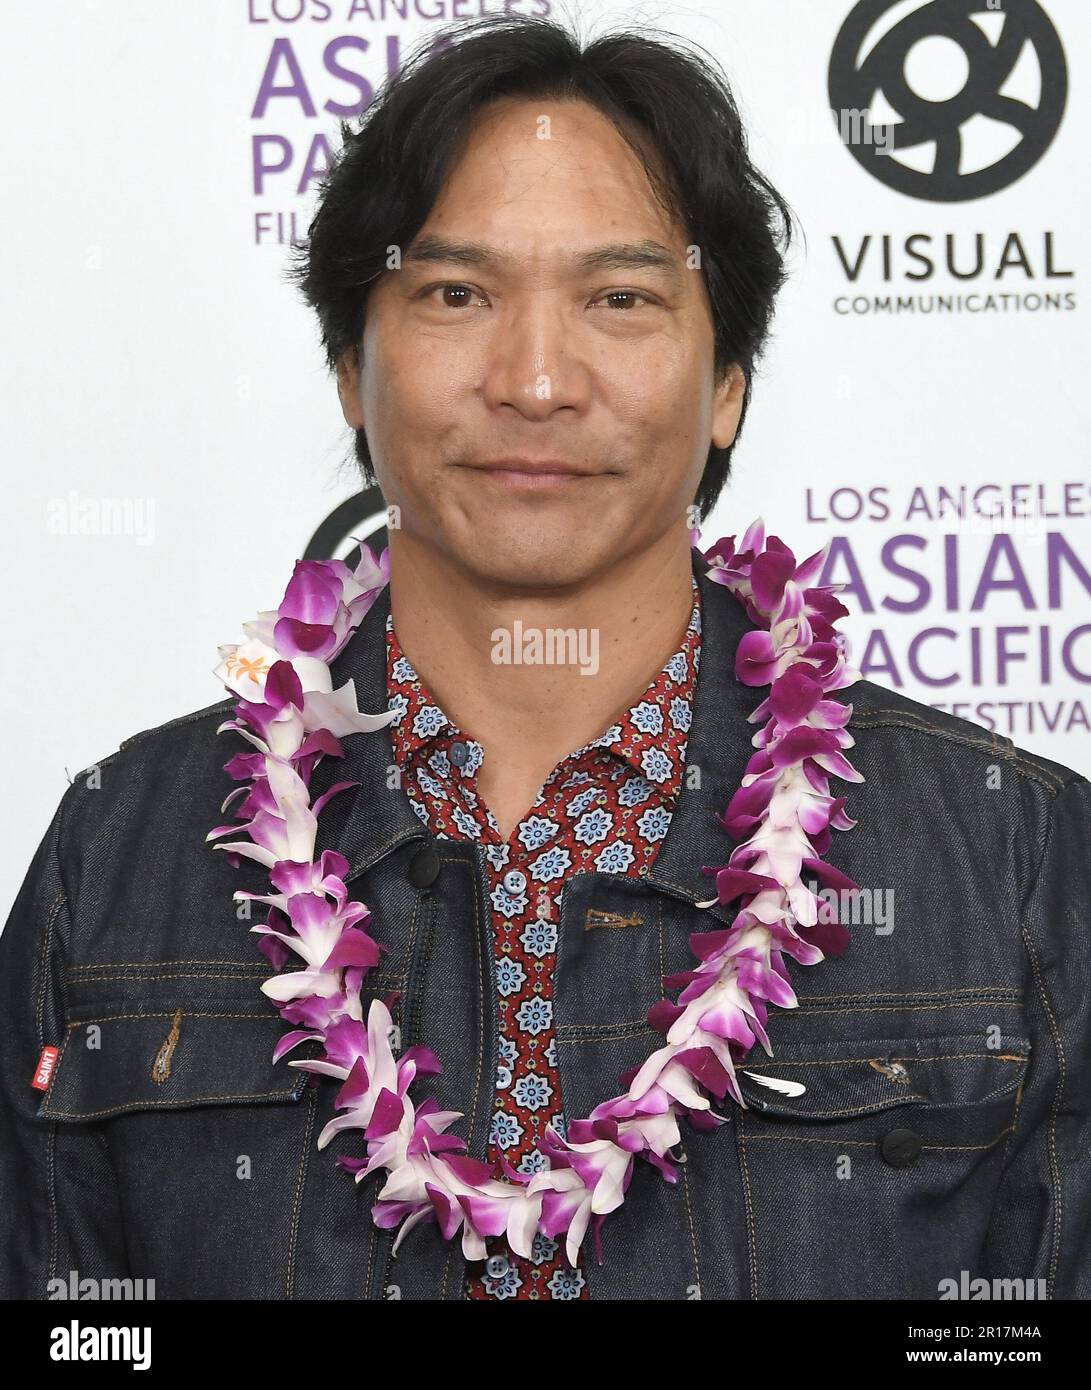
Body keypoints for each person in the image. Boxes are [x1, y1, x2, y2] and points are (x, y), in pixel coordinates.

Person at [1, 13, 1088, 1303]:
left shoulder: (1011, 861)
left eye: (619, 299)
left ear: (729, 376)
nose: (533, 379)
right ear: (350, 365)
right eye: (456, 295)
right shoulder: (123, 856)